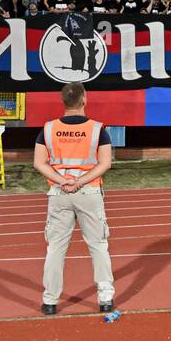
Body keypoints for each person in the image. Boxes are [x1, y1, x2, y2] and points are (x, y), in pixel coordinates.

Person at [32, 82, 116, 315]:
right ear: (84, 99)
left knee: (56, 248)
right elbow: (105, 163)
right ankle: (105, 297)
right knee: (98, 245)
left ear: (63, 101)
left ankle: (50, 300)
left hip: (59, 194)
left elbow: (39, 163)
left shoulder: (47, 130)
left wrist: (62, 181)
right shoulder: (98, 129)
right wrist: (80, 181)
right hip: (88, 191)